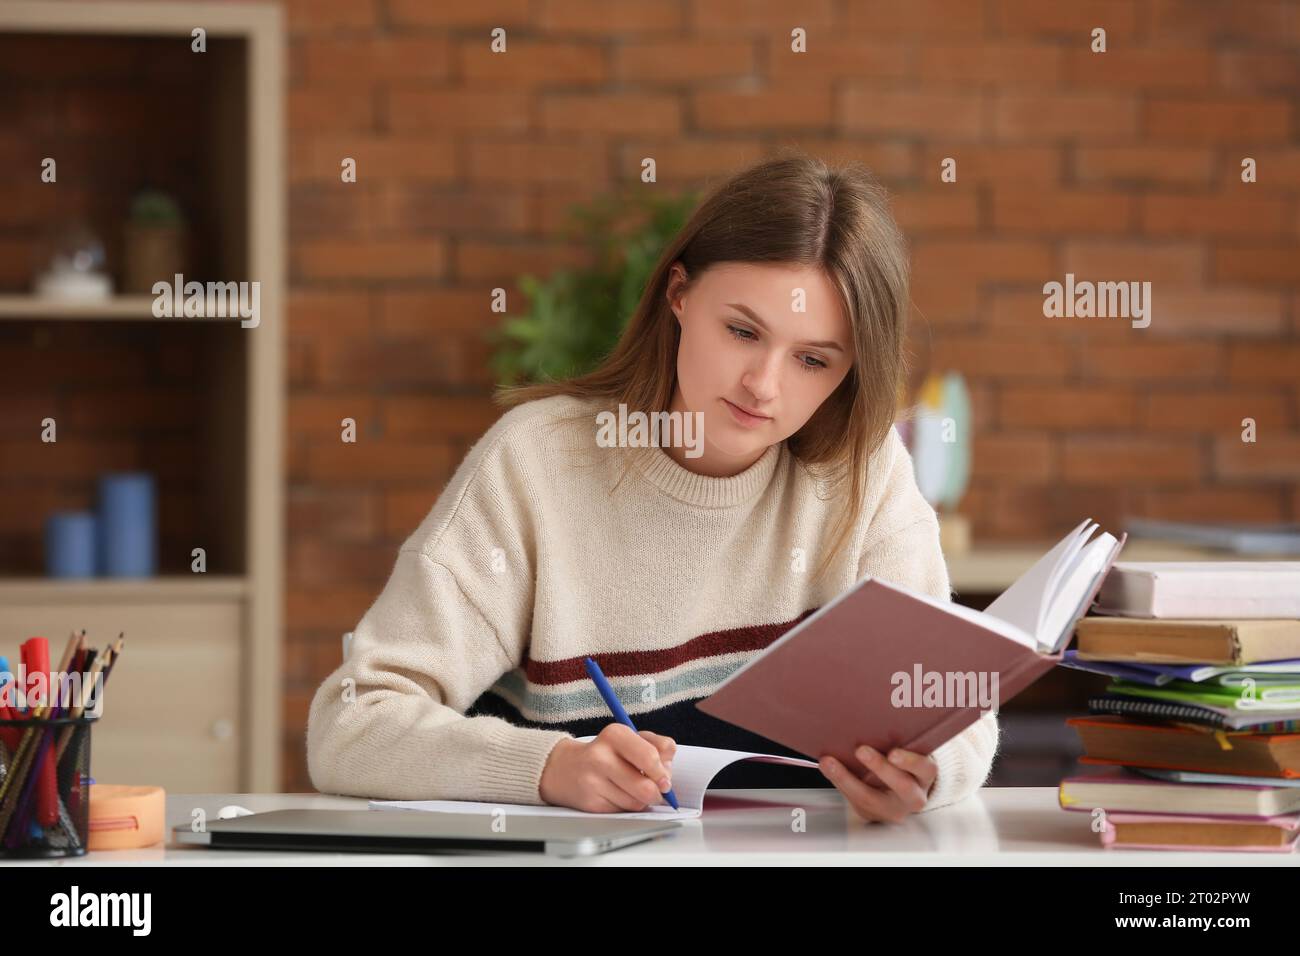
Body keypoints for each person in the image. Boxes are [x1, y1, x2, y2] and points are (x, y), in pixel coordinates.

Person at [307, 151, 999, 823]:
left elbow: (956, 707)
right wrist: (548, 766)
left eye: (812, 359)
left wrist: (929, 776)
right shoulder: (535, 466)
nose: (764, 385)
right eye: (741, 331)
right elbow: (352, 723)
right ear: (679, 294)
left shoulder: (863, 471)